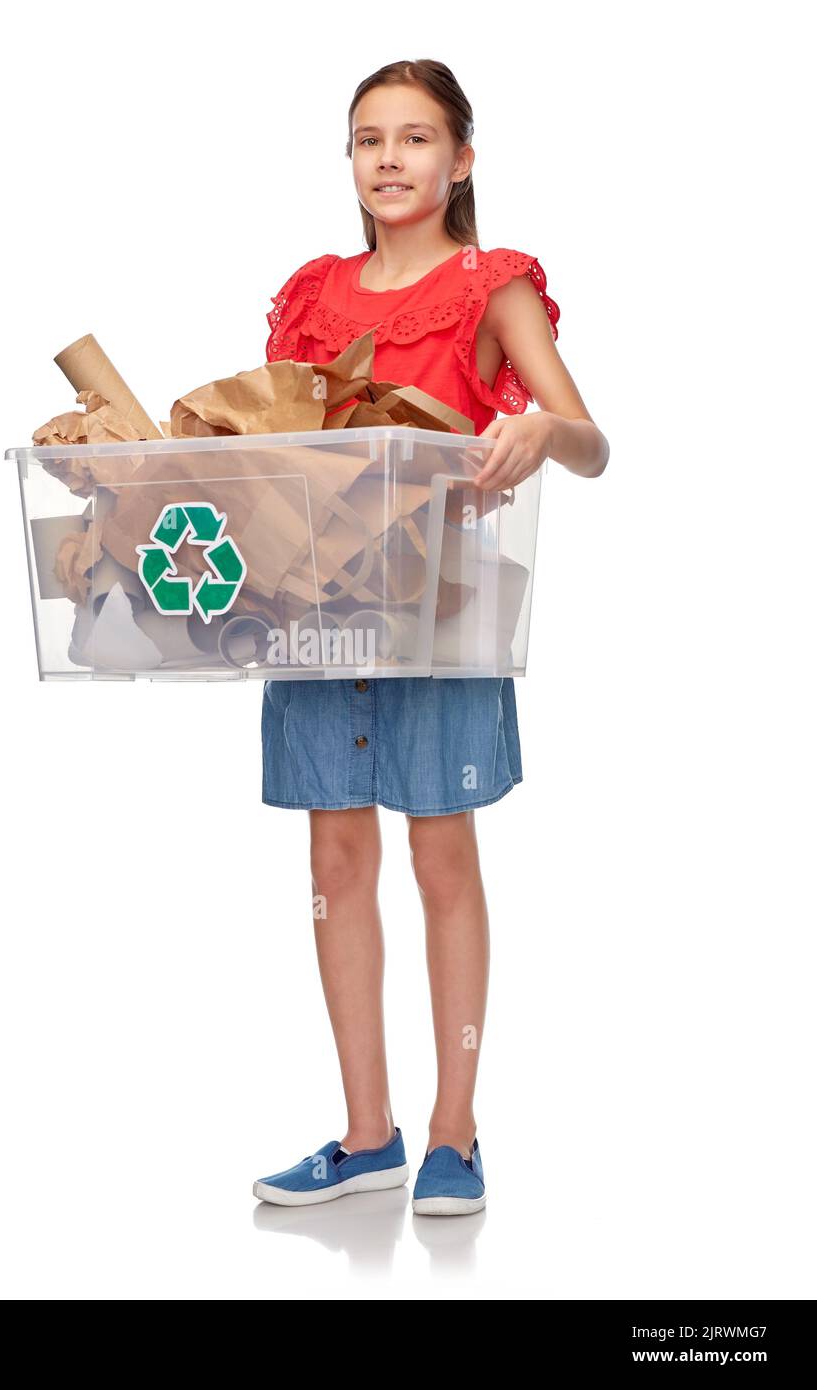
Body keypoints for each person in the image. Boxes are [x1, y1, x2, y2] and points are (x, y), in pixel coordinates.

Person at [253, 59, 609, 1216]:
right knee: (333, 863)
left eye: (416, 138)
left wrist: (536, 431)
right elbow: (274, 440)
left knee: (439, 852)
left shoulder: (491, 284)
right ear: (349, 160)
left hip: (445, 605)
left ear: (462, 158)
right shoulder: (310, 291)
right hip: (317, 609)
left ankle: (455, 1130)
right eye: (368, 139)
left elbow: (591, 439)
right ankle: (368, 1135)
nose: (390, 158)